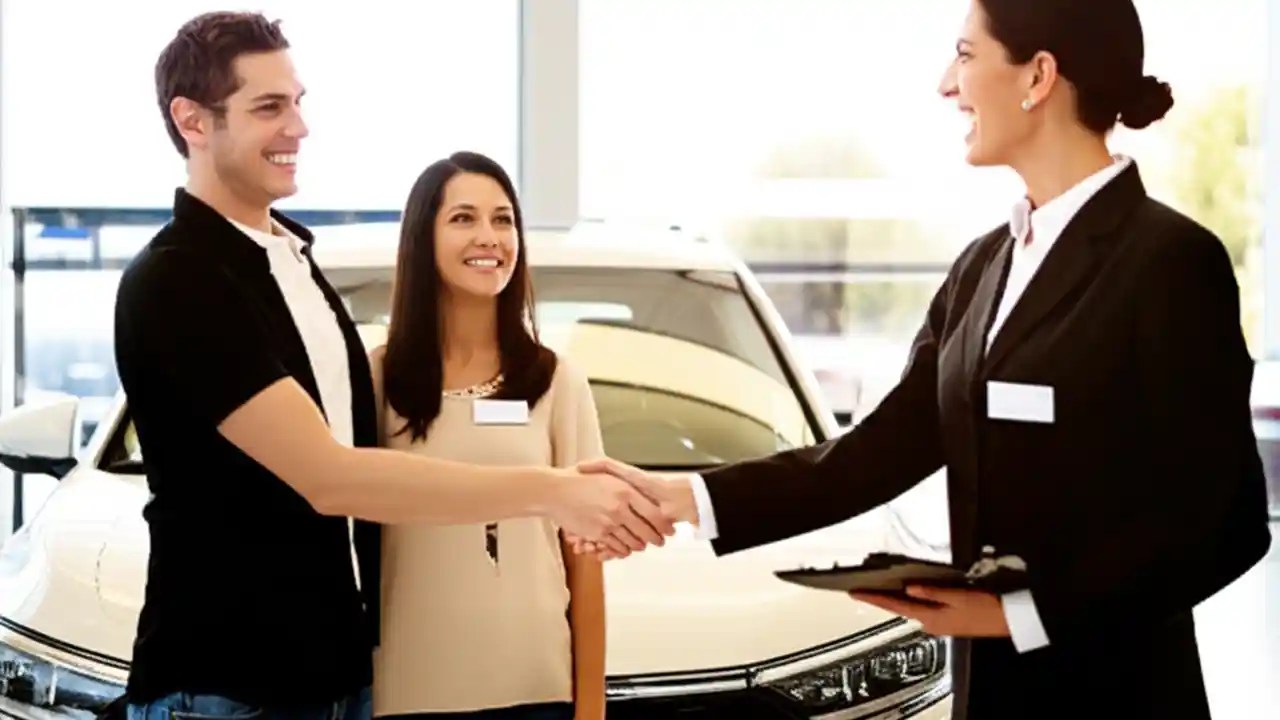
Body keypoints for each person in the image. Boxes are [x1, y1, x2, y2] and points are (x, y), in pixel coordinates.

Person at [574, 0, 1273, 718]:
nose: (947, 84)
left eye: (966, 56)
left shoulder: (1169, 263)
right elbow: (877, 453)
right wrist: (689, 497)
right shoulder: (982, 268)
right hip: (989, 696)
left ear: (1038, 75)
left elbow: (1226, 523)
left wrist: (1017, 616)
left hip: (1120, 697)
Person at [116, 13, 668, 720]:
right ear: (192, 121)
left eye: (298, 101)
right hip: (231, 689)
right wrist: (552, 491)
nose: (299, 128)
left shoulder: (292, 264)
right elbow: (330, 477)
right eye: (268, 107)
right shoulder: (179, 281)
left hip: (337, 683)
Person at [367, 152, 605, 720]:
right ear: (422, 238)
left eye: (503, 219)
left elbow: (586, 559)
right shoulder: (377, 379)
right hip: (405, 690)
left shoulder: (557, 381)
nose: (489, 237)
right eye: (463, 218)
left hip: (534, 688)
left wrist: (590, 705)